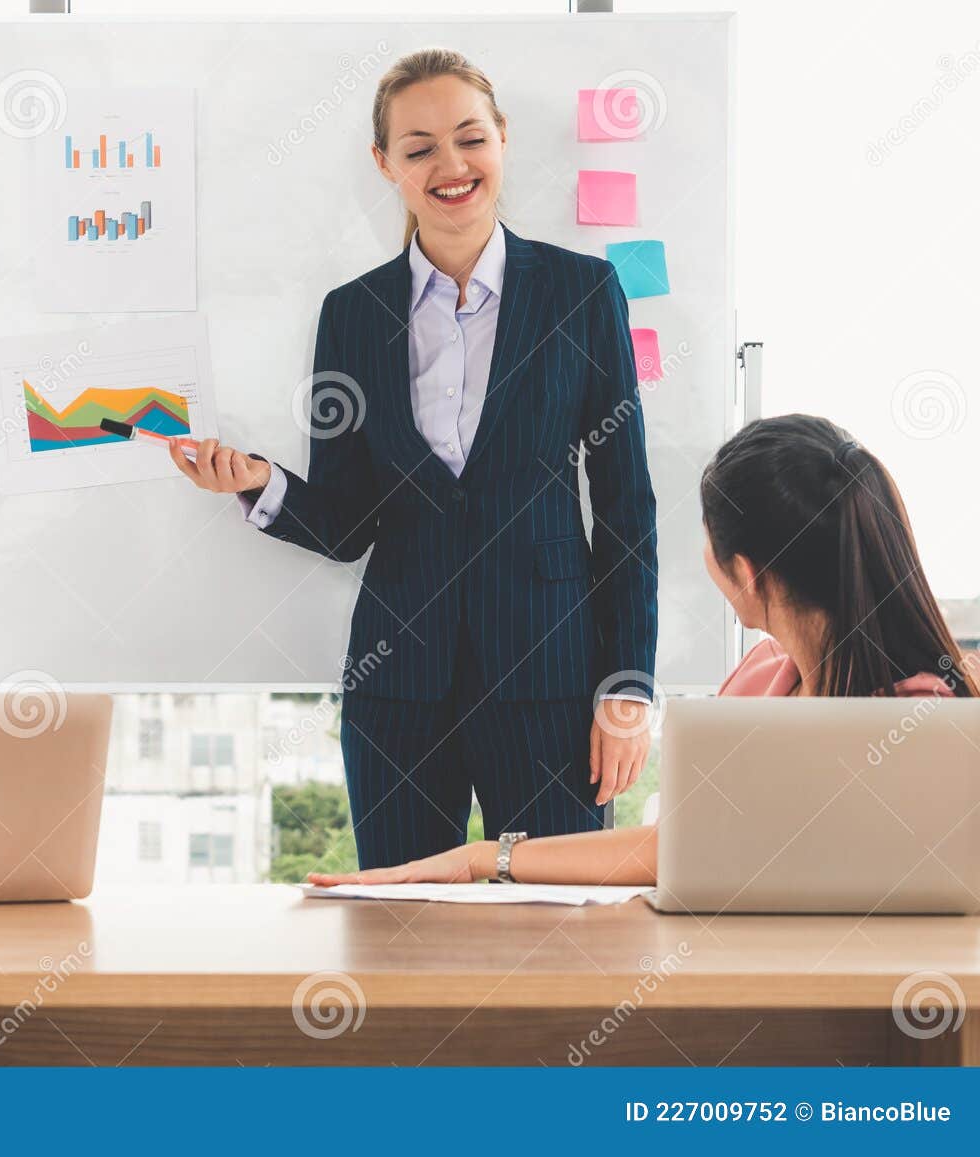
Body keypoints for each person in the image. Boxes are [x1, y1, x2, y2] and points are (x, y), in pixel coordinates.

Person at [171, 48, 658, 866]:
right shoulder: (353, 314)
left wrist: (627, 688)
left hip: (552, 682)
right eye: (420, 147)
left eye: (470, 138)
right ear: (385, 163)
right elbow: (348, 523)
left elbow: (626, 507)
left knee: (558, 925)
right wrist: (261, 484)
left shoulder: (580, 293)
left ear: (502, 138)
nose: (451, 165)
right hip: (397, 691)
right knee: (395, 921)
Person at [308, 414, 979, 888]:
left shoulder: (929, 716)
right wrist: (480, 857)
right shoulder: (761, 679)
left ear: (746, 574)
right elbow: (677, 848)